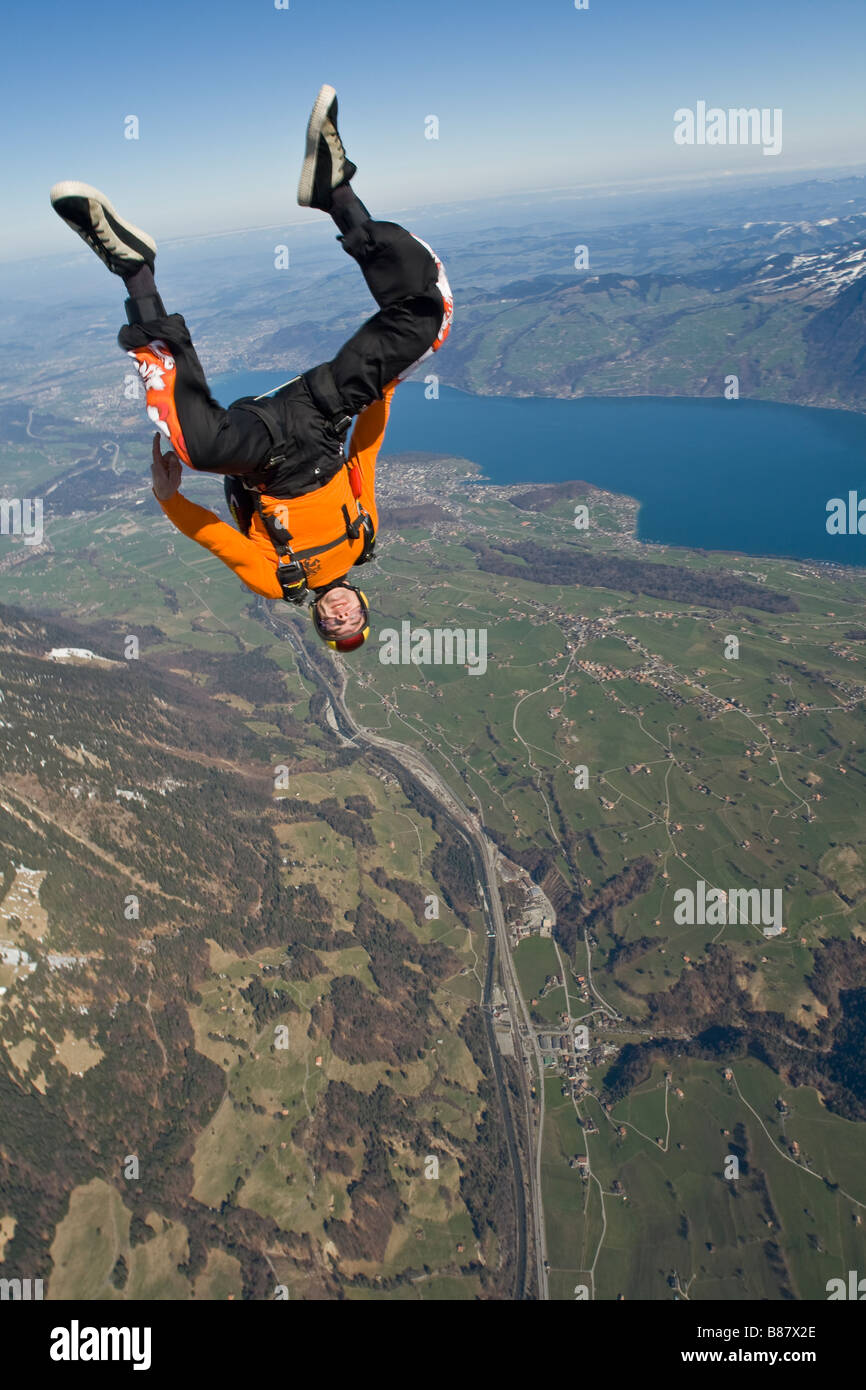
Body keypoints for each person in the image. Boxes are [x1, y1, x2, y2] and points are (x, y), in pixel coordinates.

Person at [50, 85, 453, 652]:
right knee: (425, 322)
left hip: (267, 453)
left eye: (332, 625)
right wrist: (380, 390)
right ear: (362, 602)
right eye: (352, 619)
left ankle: (135, 273)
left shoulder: (278, 580)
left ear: (319, 619)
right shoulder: (364, 538)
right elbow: (364, 458)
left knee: (195, 447)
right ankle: (334, 191)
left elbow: (220, 540)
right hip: (322, 416)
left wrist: (171, 498)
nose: (340, 616)